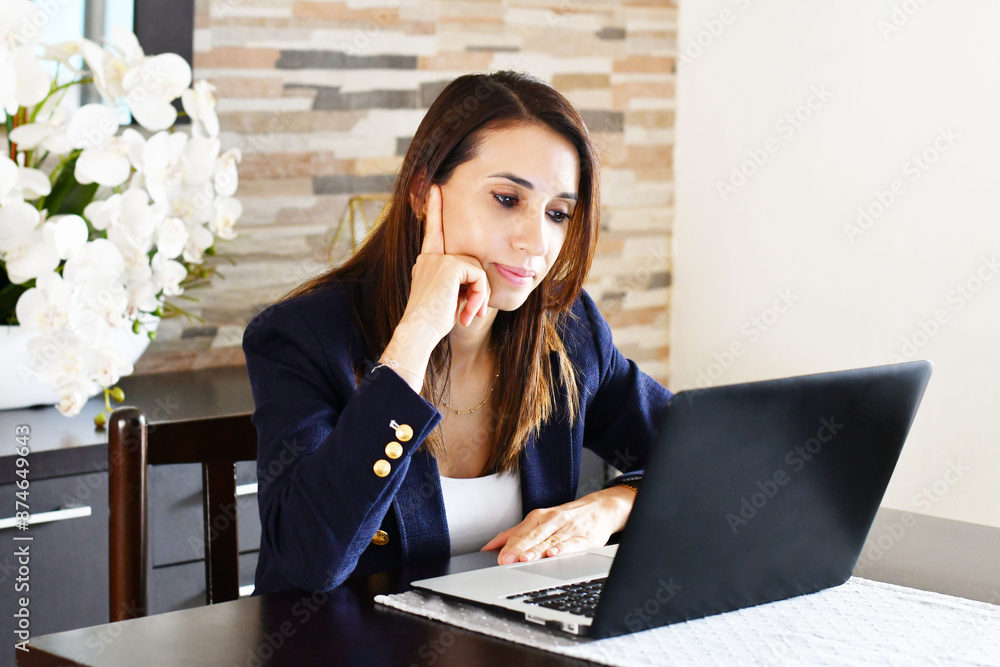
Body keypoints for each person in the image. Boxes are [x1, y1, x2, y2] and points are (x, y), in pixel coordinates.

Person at [243, 71, 672, 595]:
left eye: (558, 213)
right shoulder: (301, 337)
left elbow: (708, 457)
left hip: (512, 636)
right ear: (423, 192)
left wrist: (611, 507)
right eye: (507, 199)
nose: (537, 241)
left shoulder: (569, 330)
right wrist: (413, 339)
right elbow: (309, 562)